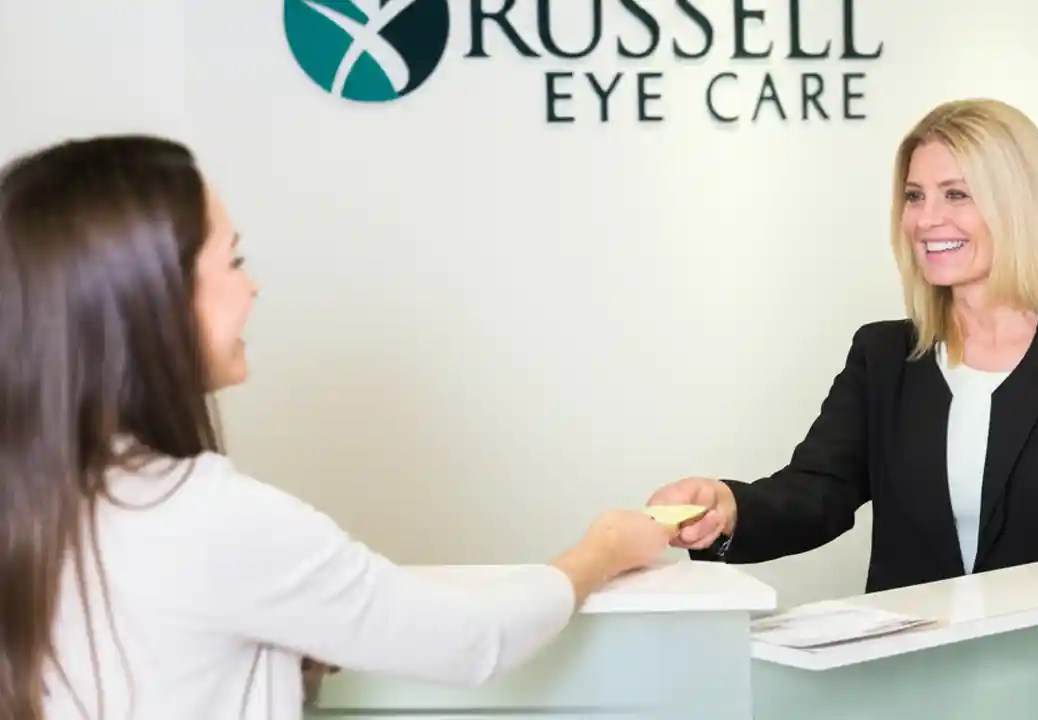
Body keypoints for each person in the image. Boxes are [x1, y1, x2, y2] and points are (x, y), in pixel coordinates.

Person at [0, 136, 676, 720]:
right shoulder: (203, 515)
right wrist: (603, 551)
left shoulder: (37, 495)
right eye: (233, 260)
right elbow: (472, 642)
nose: (254, 287)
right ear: (153, 300)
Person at [647, 98, 1038, 594]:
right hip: (913, 677)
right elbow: (817, 493)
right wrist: (728, 505)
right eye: (914, 196)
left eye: (956, 194)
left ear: (1019, 207)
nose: (926, 220)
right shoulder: (883, 355)